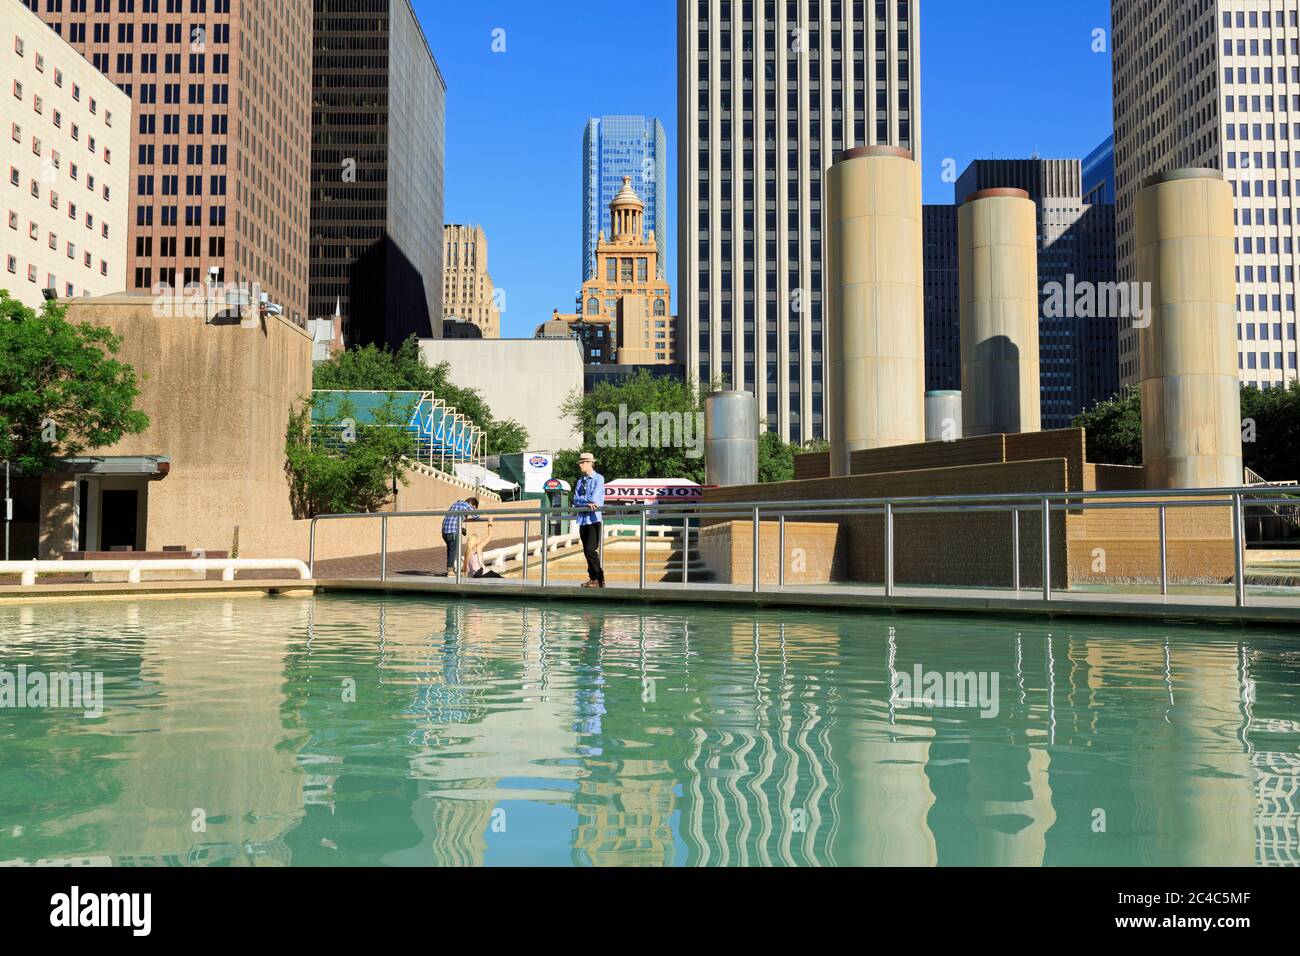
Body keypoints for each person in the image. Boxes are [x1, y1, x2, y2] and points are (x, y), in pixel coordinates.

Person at [572, 452, 605, 588]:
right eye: (580, 462)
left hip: (593, 519)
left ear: (590, 463)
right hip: (583, 519)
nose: (580, 465)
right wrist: (585, 503)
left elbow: (595, 500)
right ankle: (594, 578)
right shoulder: (580, 480)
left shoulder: (599, 479)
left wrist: (583, 501)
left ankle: (598, 578)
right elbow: (574, 499)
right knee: (586, 551)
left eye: (583, 462)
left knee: (590, 550)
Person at [441, 497, 480, 576]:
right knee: (452, 551)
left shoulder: (456, 504)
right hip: (452, 532)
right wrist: (474, 511)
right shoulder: (465, 504)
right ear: (471, 504)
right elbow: (476, 515)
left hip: (445, 532)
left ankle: (451, 569)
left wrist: (461, 529)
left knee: (450, 550)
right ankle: (450, 571)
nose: (473, 509)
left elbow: (453, 520)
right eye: (474, 507)